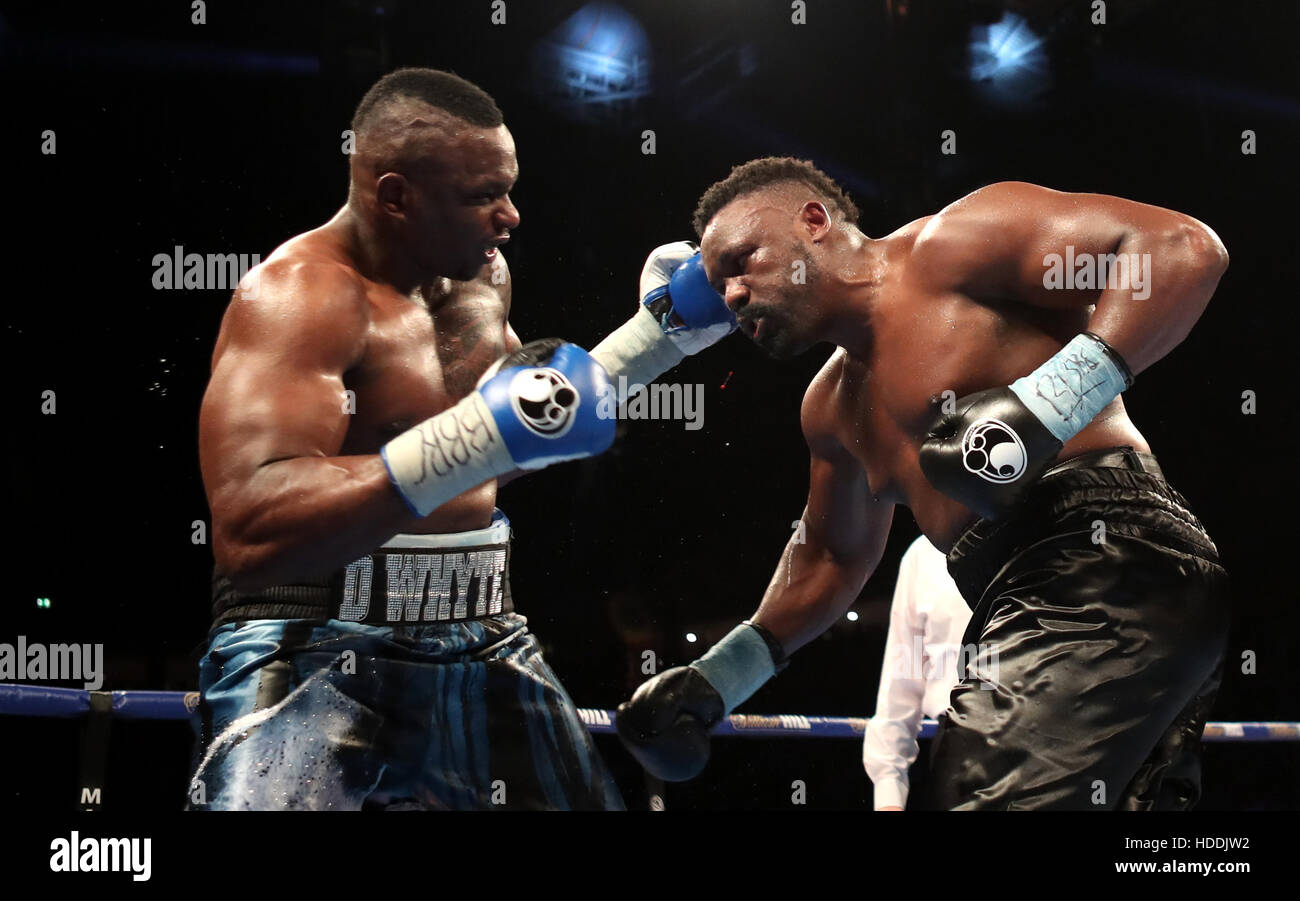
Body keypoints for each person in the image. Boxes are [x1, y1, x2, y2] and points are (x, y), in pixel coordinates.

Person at [188, 67, 733, 810]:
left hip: (483, 628)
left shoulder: (482, 278)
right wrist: (478, 435)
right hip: (316, 641)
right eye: (482, 196)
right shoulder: (298, 298)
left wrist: (657, 339)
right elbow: (249, 527)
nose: (510, 216)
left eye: (508, 188)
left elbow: (528, 427)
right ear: (395, 196)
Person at [616, 158, 1230, 810]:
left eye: (742, 260)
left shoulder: (951, 248)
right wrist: (716, 679)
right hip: (1018, 595)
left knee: (974, 795)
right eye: (717, 284)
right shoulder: (830, 407)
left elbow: (1179, 249)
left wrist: (1046, 408)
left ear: (814, 221)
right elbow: (833, 557)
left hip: (1104, 554)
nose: (733, 294)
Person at [864, 536, 971, 811]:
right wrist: (889, 793)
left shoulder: (1047, 530)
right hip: (956, 748)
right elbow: (903, 680)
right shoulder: (924, 555)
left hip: (1050, 745)